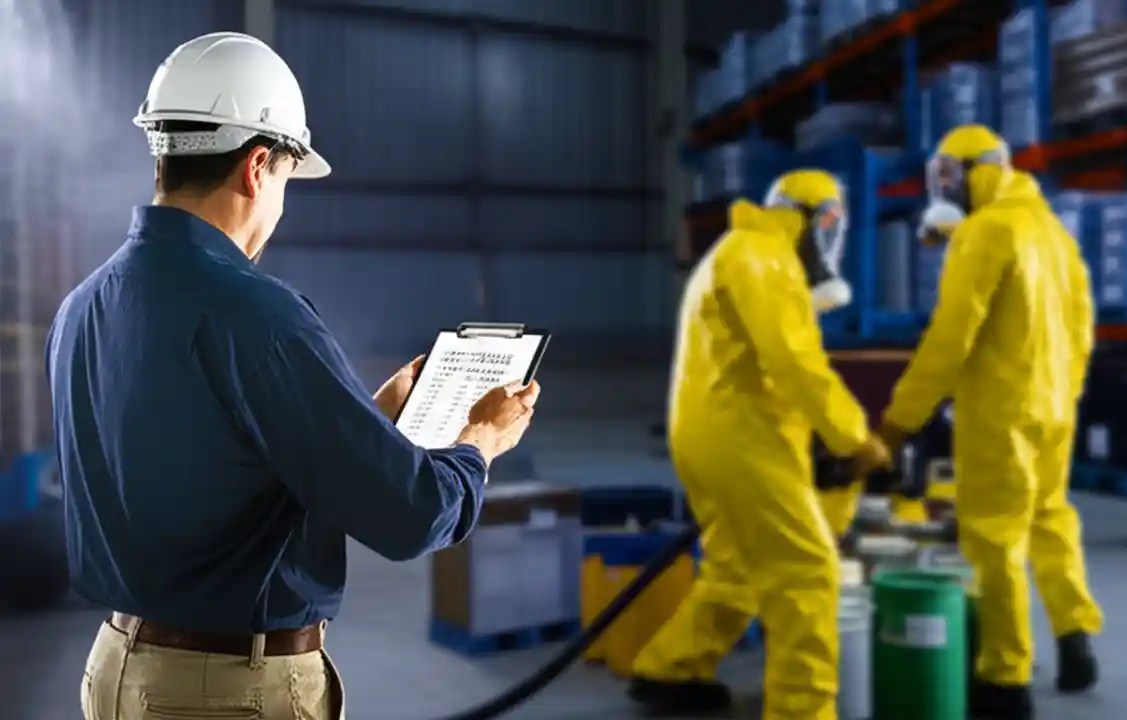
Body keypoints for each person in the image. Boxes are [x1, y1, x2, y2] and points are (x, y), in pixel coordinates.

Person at [46, 32, 540, 720]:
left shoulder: (82, 308)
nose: (281, 201)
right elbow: (412, 516)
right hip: (225, 694)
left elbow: (214, 474)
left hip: (115, 672)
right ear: (256, 167)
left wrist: (364, 417)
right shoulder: (257, 313)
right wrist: (479, 442)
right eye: (285, 178)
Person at [626, 169, 890, 719]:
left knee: (737, 567)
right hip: (740, 436)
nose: (832, 242)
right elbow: (794, 363)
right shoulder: (763, 255)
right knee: (808, 570)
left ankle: (671, 670)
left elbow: (769, 364)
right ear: (808, 218)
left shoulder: (741, 253)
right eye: (830, 225)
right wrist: (856, 440)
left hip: (708, 434)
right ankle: (801, 711)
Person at [879, 124, 1104, 720]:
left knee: (995, 534)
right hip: (1055, 405)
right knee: (1051, 519)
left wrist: (900, 419)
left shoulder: (984, 232)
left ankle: (1004, 680)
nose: (946, 187)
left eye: (951, 175)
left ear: (978, 171)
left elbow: (949, 339)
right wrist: (1065, 391)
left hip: (1002, 410)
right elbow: (1084, 327)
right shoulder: (1054, 233)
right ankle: (1075, 638)